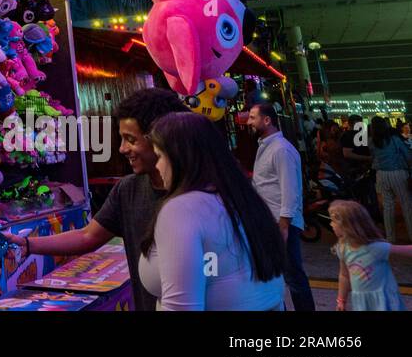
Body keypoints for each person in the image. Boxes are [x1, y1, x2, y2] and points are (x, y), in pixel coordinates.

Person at [2, 86, 187, 311]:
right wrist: (28, 244)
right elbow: (88, 236)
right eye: (121, 139)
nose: (122, 149)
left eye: (131, 139)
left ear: (160, 137)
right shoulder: (128, 190)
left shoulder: (197, 195)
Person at [138, 111, 286, 310]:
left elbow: (181, 308)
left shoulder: (182, 210)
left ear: (181, 157)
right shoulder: (243, 199)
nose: (157, 166)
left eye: (160, 156)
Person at [248, 102, 315, 310]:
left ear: (267, 120)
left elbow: (290, 191)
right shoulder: (266, 146)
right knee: (276, 275)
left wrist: (283, 226)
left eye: (252, 117)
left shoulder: (281, 150)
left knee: (293, 275)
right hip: (270, 222)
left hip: (281, 223)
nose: (248, 121)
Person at [331, 199, 410, 311]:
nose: (331, 224)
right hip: (361, 302)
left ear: (347, 225)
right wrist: (341, 300)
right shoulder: (343, 248)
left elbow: (406, 251)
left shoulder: (376, 248)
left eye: (333, 221)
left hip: (384, 301)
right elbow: (344, 275)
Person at [369, 115, 412, 243]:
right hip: (397, 173)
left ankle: (390, 237)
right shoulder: (393, 139)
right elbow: (407, 155)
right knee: (406, 205)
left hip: (381, 175)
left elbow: (373, 157)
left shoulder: (371, 141)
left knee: (388, 206)